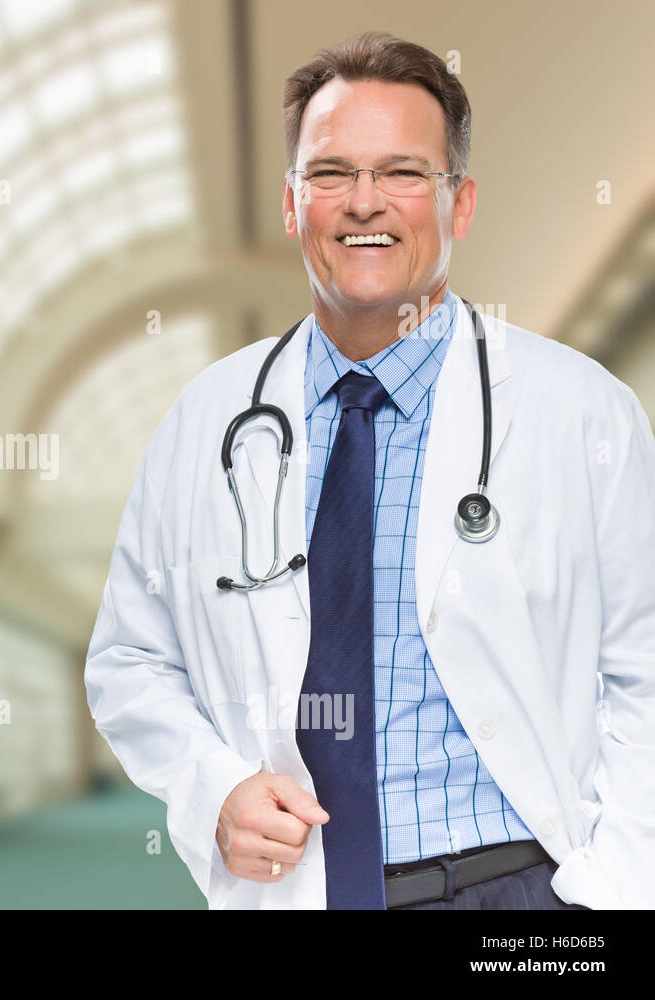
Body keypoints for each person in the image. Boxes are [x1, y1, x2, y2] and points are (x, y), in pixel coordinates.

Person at [84, 31, 655, 909]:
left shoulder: (582, 412)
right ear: (290, 204)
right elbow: (128, 658)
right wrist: (213, 788)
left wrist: (613, 888)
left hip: (521, 892)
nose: (363, 203)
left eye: (402, 172)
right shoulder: (207, 420)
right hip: (298, 888)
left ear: (458, 203)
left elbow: (645, 667)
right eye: (329, 174)